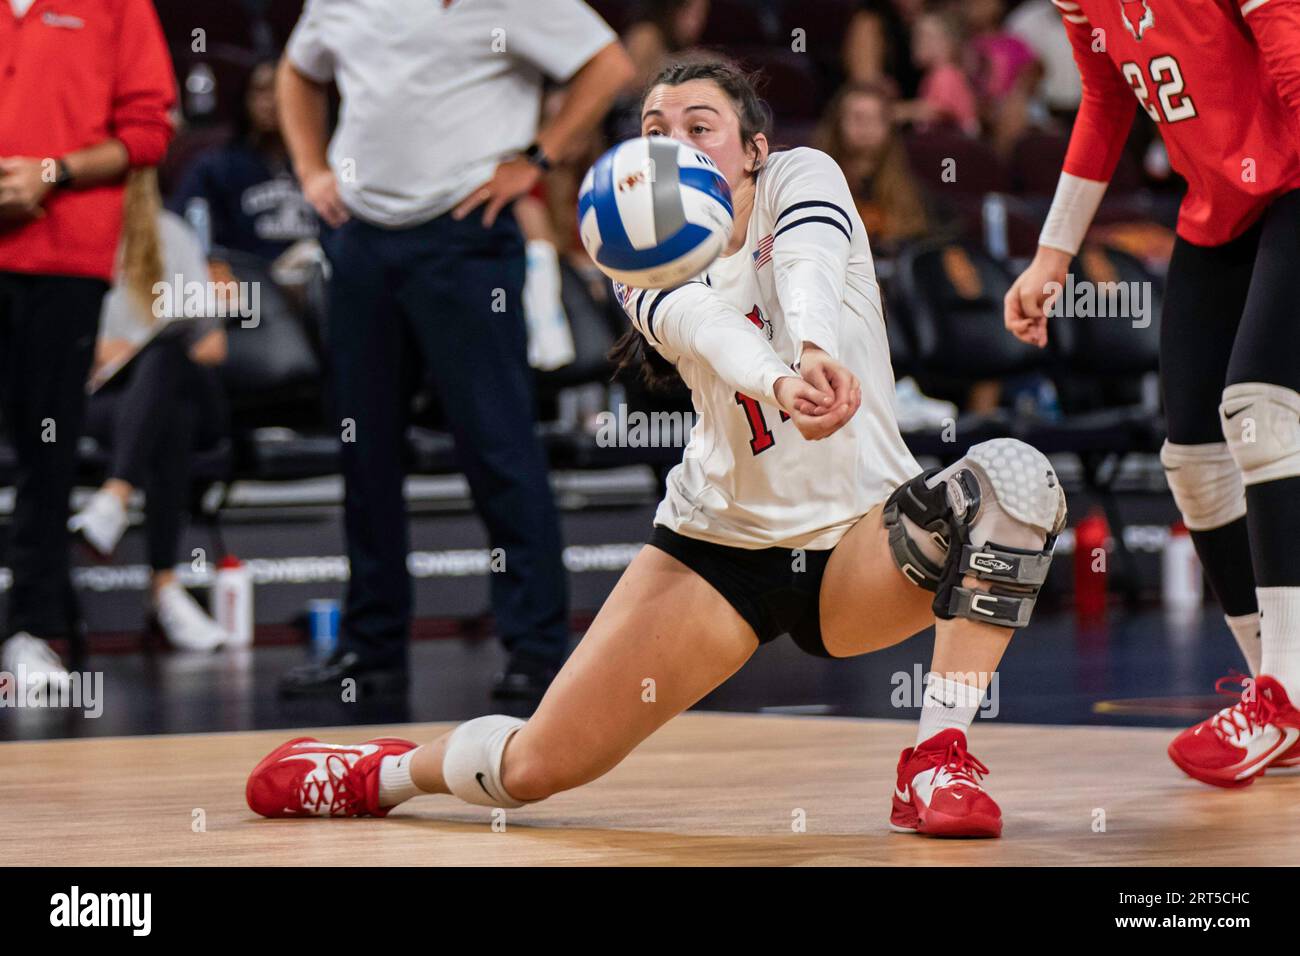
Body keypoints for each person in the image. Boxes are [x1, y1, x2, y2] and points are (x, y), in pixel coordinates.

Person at [247, 57, 1067, 839]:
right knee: (535, 768)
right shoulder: (635, 244)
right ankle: (378, 776)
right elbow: (707, 330)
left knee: (1017, 479)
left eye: (699, 125)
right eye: (653, 126)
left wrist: (814, 347)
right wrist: (786, 385)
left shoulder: (804, 175)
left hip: (862, 542)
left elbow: (809, 261)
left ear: (752, 150)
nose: (671, 141)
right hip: (717, 550)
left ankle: (935, 762)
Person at [272, 0, 635, 701]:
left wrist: (537, 160)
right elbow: (297, 71)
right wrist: (311, 167)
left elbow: (608, 64)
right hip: (361, 236)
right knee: (364, 450)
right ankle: (371, 647)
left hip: (464, 234)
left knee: (498, 445)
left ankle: (536, 648)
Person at [1004, 0, 1300, 787]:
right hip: (1221, 213)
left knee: (1262, 410)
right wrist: (1052, 255)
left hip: (1297, 180)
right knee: (1195, 461)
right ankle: (1272, 686)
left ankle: (1289, 695)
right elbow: (1106, 103)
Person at [0, 0, 174, 689]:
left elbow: (147, 133)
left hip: (63, 257)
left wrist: (51, 172)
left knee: (47, 450)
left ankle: (31, 630)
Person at [68, 169, 231, 652]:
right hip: (104, 400)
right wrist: (102, 351)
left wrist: (139, 351)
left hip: (190, 387)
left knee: (165, 358)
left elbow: (213, 346)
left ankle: (114, 497)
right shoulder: (76, 236)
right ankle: (164, 587)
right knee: (169, 418)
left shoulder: (173, 235)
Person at [169, 60, 317, 263]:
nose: (270, 101)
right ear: (245, 99)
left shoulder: (321, 164)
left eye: (278, 89)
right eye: (260, 91)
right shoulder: (216, 167)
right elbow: (183, 228)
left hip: (315, 280)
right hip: (246, 282)